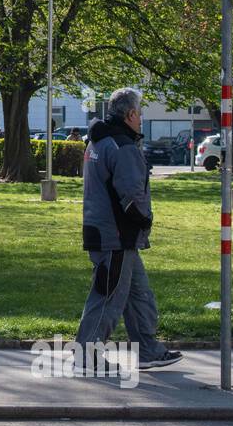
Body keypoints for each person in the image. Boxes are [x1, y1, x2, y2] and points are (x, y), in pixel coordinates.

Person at [75, 88, 182, 372]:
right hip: (117, 236)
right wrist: (145, 220)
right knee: (108, 296)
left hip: (108, 231)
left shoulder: (99, 141)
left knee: (138, 294)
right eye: (141, 113)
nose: (142, 119)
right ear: (130, 114)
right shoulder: (122, 146)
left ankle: (147, 349)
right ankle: (88, 355)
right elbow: (131, 197)